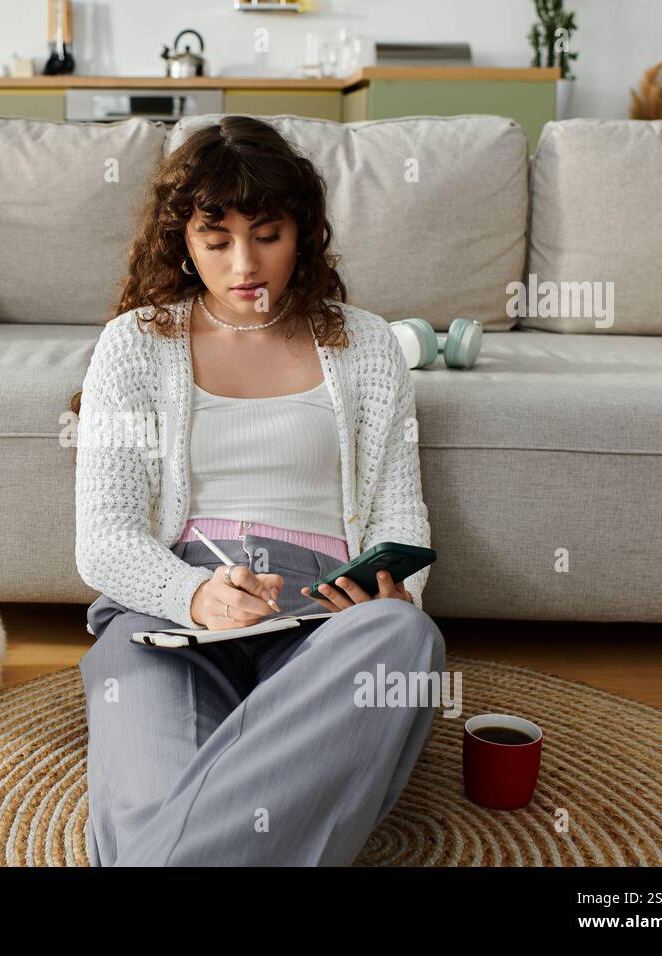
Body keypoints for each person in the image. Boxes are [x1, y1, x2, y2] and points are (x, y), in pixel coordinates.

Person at [71, 115, 446, 866]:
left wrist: (391, 594)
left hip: (323, 619)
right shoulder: (135, 344)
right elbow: (104, 540)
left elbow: (400, 513)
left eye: (268, 234)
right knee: (150, 809)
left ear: (302, 232)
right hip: (167, 616)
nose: (246, 263)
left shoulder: (366, 344)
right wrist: (194, 595)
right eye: (217, 242)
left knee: (407, 641)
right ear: (183, 243)